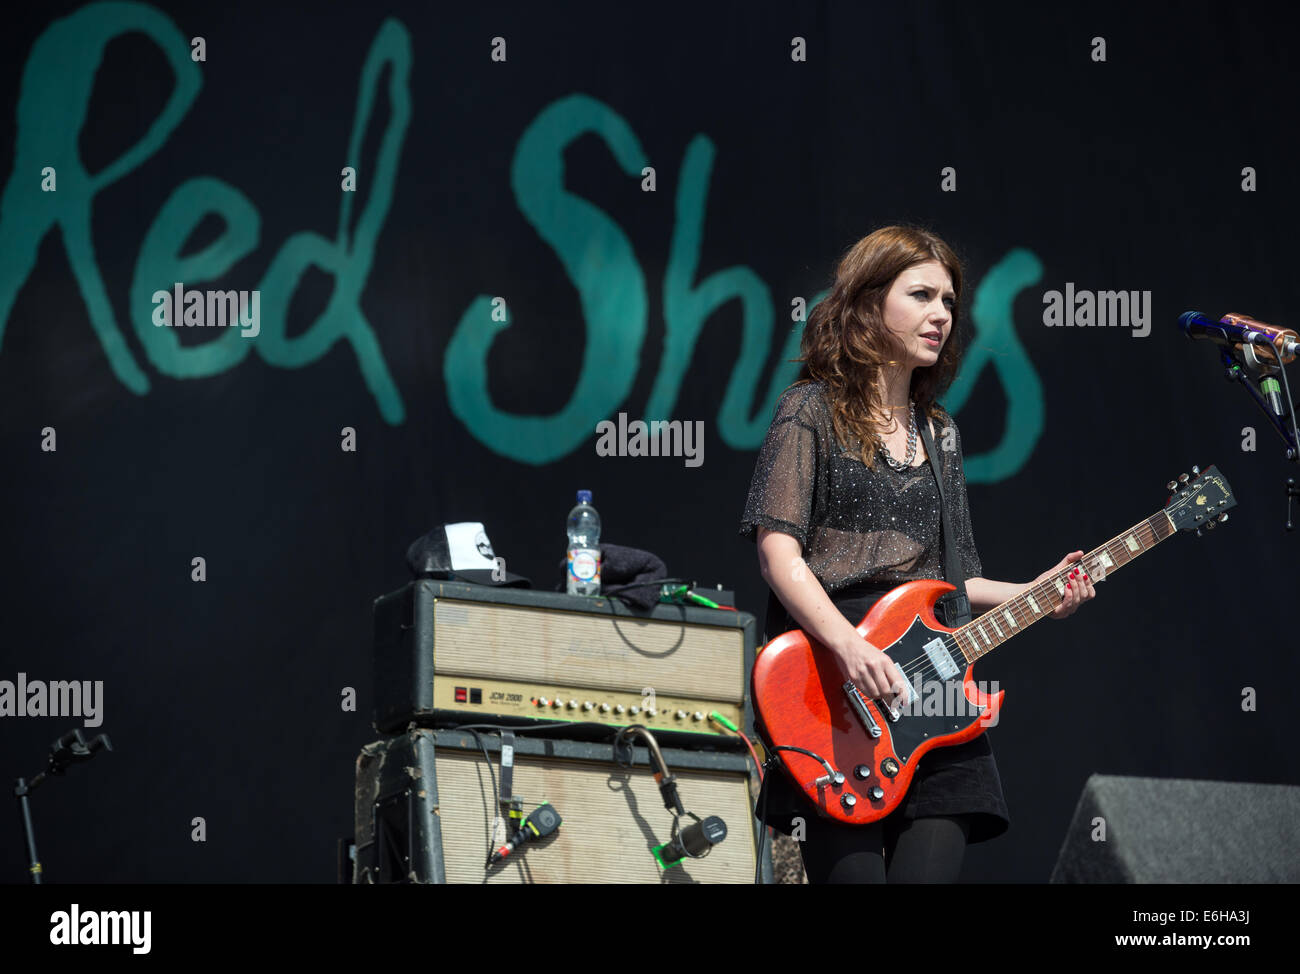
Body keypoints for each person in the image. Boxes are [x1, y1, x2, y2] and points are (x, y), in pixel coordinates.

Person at [739, 226, 1096, 884]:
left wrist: (1040, 591)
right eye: (923, 295)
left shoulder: (942, 432)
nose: (942, 315)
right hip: (833, 688)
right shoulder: (808, 411)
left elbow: (954, 584)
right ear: (869, 303)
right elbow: (779, 554)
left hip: (929, 694)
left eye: (950, 302)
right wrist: (851, 646)